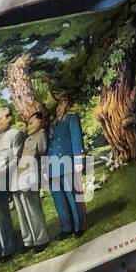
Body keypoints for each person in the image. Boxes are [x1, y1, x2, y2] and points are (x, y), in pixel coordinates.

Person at [46, 95, 86, 237]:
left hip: (67, 163)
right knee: (59, 199)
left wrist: (78, 160)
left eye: (58, 105)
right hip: (53, 166)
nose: (57, 109)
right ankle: (66, 228)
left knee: (73, 196)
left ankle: (79, 226)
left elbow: (76, 138)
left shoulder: (71, 117)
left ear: (65, 103)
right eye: (55, 107)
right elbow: (49, 147)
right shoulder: (52, 124)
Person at [12, 111, 49, 250]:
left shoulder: (41, 134)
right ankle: (29, 240)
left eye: (32, 122)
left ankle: (41, 239)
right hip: (20, 175)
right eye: (28, 123)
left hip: (31, 174)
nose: (29, 126)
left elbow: (42, 150)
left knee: (32, 208)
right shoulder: (27, 139)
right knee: (22, 210)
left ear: (40, 122)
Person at [0, 107, 23, 260]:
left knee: (1, 217)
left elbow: (15, 159)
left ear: (9, 118)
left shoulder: (14, 134)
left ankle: (7, 249)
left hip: (0, 183)